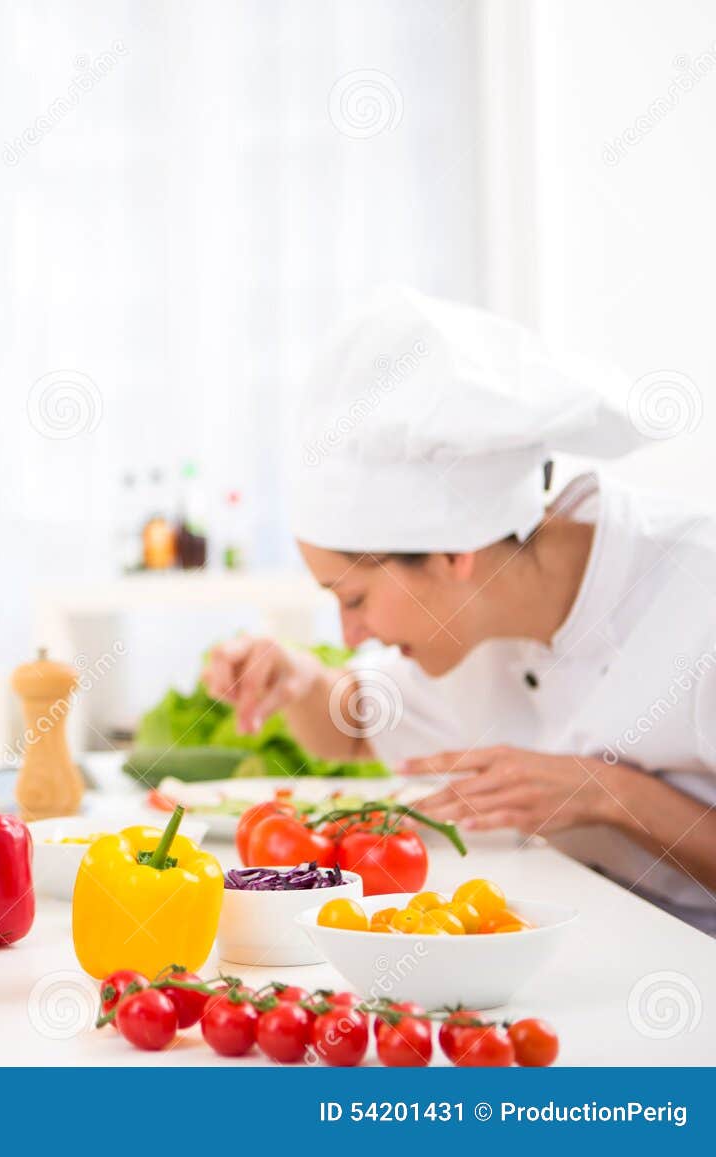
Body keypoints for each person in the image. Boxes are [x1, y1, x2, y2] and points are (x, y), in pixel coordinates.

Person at [203, 288, 716, 934]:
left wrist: (609, 793)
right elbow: (357, 726)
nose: (351, 631)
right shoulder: (478, 615)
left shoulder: (699, 594)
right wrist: (299, 679)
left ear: (453, 553)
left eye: (354, 598)